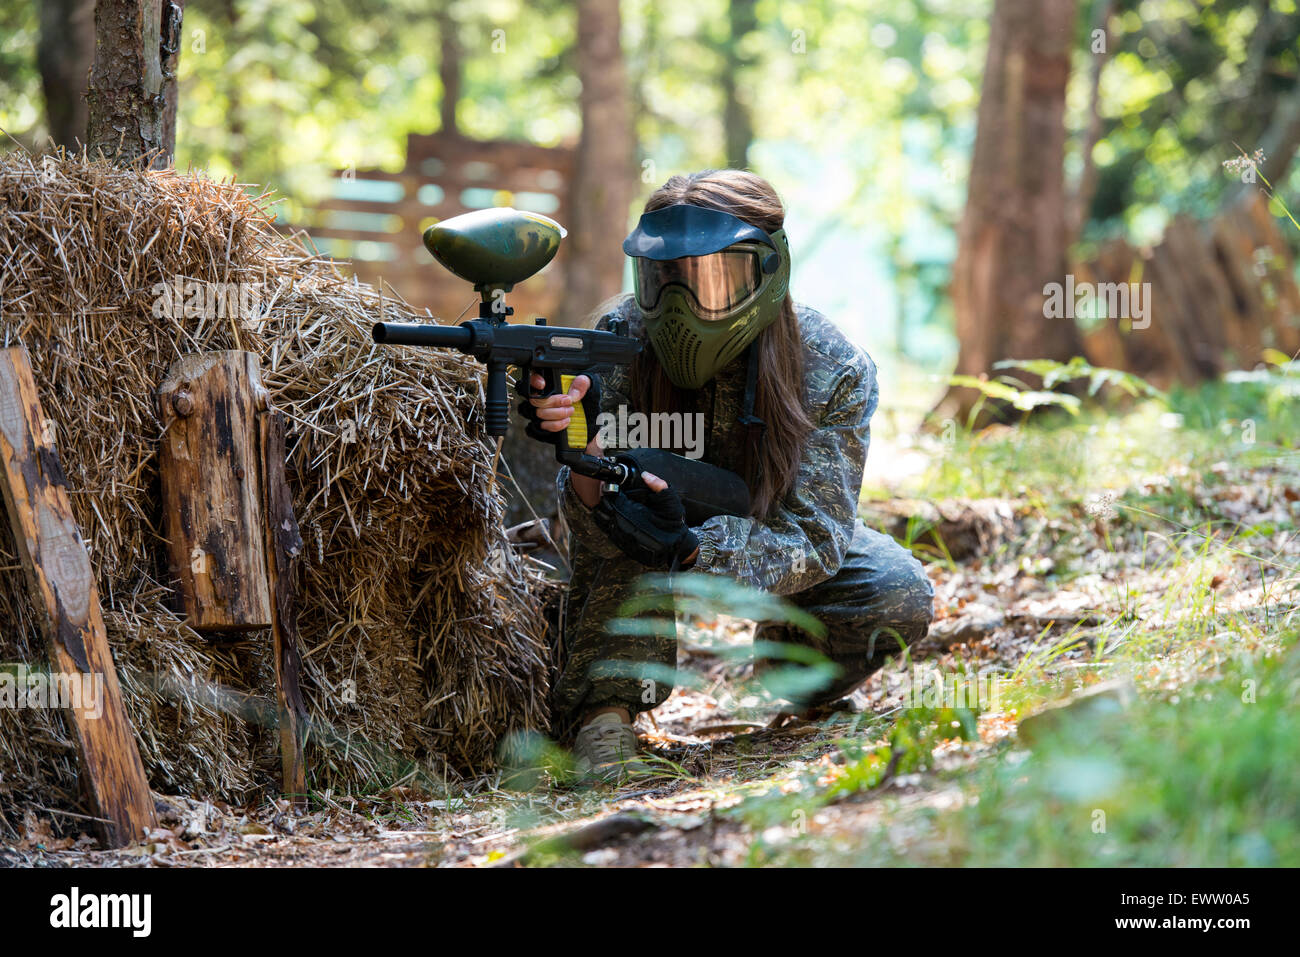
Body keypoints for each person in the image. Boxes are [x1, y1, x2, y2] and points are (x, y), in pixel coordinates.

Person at [522, 169, 934, 783]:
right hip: (638, 529)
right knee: (626, 517)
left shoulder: (830, 366)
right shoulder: (614, 344)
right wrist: (579, 450)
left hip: (761, 530)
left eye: (713, 280)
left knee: (893, 590)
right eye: (667, 280)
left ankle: (796, 682)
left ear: (769, 271)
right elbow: (585, 516)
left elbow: (817, 539)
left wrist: (692, 549)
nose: (685, 306)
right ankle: (602, 717)